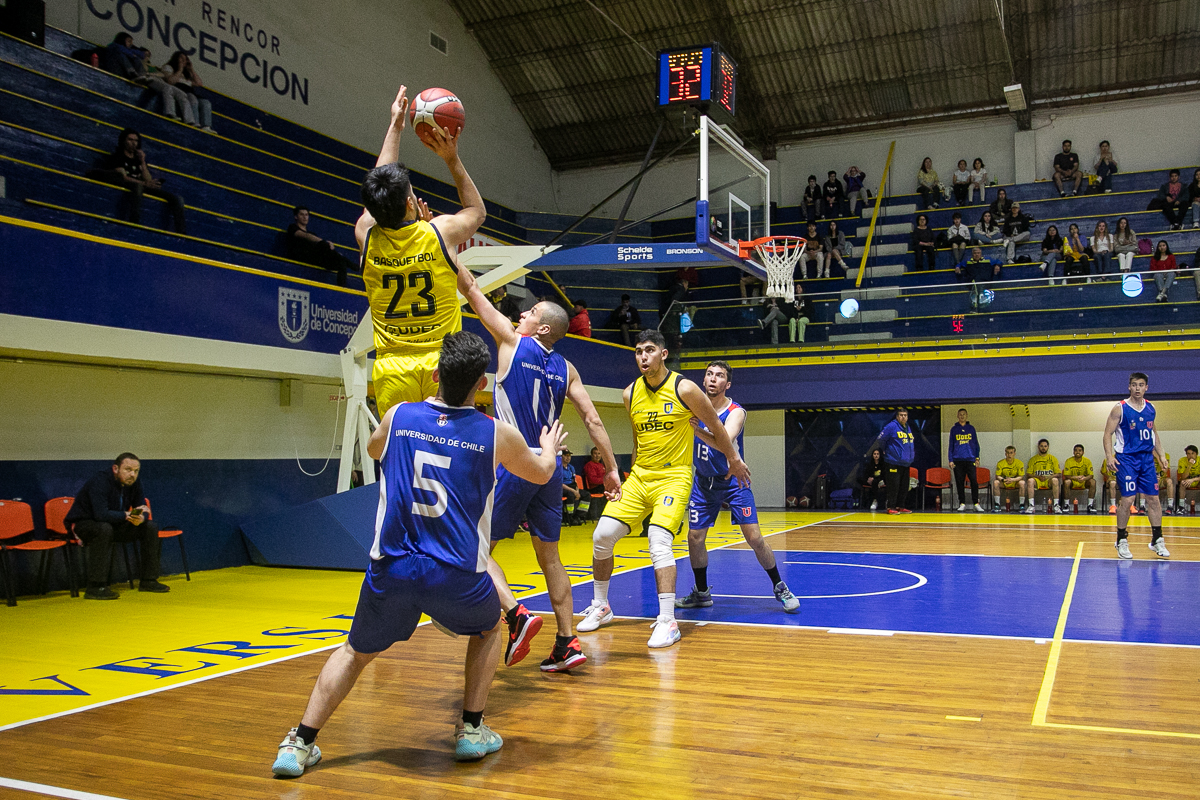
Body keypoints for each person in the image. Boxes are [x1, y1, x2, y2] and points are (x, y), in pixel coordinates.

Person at [269, 332, 566, 774]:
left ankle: (299, 743)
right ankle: (471, 730)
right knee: (489, 629)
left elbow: (374, 449)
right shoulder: (495, 433)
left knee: (354, 652)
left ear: (435, 375)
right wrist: (549, 448)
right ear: (481, 385)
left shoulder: (398, 415)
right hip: (455, 573)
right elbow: (540, 473)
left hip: (392, 567)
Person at [458, 271, 622, 671]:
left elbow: (472, 289)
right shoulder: (567, 368)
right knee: (550, 557)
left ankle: (515, 615)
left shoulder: (512, 342)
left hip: (516, 462)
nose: (521, 316)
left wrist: (444, 249)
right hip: (548, 466)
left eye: (529, 313)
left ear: (542, 327)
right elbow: (592, 419)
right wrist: (613, 468)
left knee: (472, 547)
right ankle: (567, 642)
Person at [577, 330, 751, 649]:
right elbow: (637, 439)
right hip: (640, 477)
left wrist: (734, 459)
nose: (643, 357)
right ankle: (601, 605)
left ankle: (668, 620)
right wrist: (624, 475)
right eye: (638, 351)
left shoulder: (685, 388)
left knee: (658, 540)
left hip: (674, 477)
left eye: (649, 350)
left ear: (663, 354)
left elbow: (717, 427)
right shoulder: (630, 393)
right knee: (602, 536)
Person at [358, 85, 485, 418]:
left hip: (391, 365)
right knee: (444, 445)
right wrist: (452, 159)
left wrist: (395, 127)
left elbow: (377, 187)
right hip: (442, 364)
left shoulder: (366, 236)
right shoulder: (439, 232)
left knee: (399, 446)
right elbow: (476, 211)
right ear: (410, 204)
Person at [678, 361, 800, 613]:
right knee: (694, 538)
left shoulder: (736, 412)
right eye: (709, 374)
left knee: (754, 538)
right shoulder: (692, 408)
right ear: (703, 380)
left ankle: (780, 587)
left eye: (719, 375)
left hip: (733, 481)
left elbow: (724, 440)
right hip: (703, 483)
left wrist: (696, 430)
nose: (713, 379)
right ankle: (701, 592)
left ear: (728, 384)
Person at [64, 453, 169, 599]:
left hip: (114, 523)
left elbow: (142, 507)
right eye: (128, 469)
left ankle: (149, 580)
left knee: (149, 527)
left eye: (136, 471)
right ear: (115, 468)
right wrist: (127, 515)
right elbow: (101, 515)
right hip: (85, 524)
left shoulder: (134, 482)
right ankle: (96, 586)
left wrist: (141, 518)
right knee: (104, 529)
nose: (132, 474)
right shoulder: (99, 481)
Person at [1103, 372, 1170, 559]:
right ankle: (1121, 540)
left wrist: (1161, 455)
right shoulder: (1120, 408)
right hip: (1126, 459)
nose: (1137, 388)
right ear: (1129, 387)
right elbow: (1107, 433)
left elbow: (1154, 433)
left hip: (1146, 459)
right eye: (1134, 385)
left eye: (1141, 385)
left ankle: (1157, 539)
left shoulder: (1151, 408)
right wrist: (1109, 456)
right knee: (1128, 499)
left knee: (1154, 499)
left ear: (1146, 387)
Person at [88, 128, 186, 233]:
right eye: (130, 140)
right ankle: (134, 222)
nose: (133, 143)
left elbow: (148, 179)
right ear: (124, 141)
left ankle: (181, 232)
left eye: (136, 140)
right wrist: (144, 183)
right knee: (138, 187)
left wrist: (142, 161)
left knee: (177, 199)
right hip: (128, 184)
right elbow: (123, 177)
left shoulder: (138, 159)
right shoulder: (117, 157)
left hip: (141, 184)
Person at [287, 206, 356, 286]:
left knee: (342, 263)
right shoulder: (292, 227)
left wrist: (327, 244)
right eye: (301, 214)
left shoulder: (312, 234)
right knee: (324, 245)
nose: (305, 217)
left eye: (306, 215)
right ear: (296, 217)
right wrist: (324, 242)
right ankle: (350, 263)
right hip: (301, 255)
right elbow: (305, 235)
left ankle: (342, 288)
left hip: (315, 258)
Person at [866, 409, 915, 514]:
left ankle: (900, 506)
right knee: (894, 486)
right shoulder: (891, 426)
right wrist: (885, 450)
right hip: (893, 461)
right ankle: (890, 507)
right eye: (901, 415)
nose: (903, 417)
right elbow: (881, 439)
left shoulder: (907, 427)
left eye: (905, 415)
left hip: (905, 462)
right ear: (897, 417)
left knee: (904, 486)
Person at [161, 51, 213, 132]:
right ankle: (195, 122)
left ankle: (206, 126)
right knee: (192, 98)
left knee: (206, 103)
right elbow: (170, 81)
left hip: (190, 92)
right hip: (179, 91)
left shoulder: (187, 74)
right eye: (181, 58)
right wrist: (180, 69)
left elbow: (199, 83)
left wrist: (191, 69)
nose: (183, 61)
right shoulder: (169, 67)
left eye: (185, 59)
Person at [138, 48, 192, 124]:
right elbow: (143, 72)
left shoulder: (152, 66)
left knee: (182, 94)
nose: (147, 57)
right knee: (168, 88)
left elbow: (161, 74)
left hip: (159, 81)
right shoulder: (138, 61)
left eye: (149, 55)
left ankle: (189, 120)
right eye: (146, 54)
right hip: (149, 79)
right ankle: (170, 113)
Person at [948, 408, 983, 511]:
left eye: (964, 414)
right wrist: (950, 459)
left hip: (970, 459)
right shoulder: (954, 429)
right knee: (959, 482)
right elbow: (951, 446)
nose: (962, 416)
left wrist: (977, 457)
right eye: (960, 414)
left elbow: (976, 444)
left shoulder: (971, 428)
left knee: (974, 481)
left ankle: (976, 503)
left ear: (966, 415)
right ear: (957, 416)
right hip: (958, 460)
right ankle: (962, 503)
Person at [1024, 439, 1063, 514]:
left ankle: (1056, 506)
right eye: (1041, 446)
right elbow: (1028, 474)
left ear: (1048, 447)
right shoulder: (1033, 459)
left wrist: (1049, 477)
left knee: (1055, 480)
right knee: (1030, 481)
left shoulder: (1053, 459)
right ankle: (1031, 505)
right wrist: (1037, 477)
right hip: (1038, 480)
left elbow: (1058, 474)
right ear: (1038, 447)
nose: (1043, 448)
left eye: (1045, 446)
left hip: (1048, 480)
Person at [1062, 444, 1099, 513]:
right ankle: (1066, 505)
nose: (1077, 452)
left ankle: (1090, 505)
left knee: (1093, 481)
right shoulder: (1068, 461)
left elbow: (1091, 475)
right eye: (1076, 450)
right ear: (1073, 452)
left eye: (1079, 450)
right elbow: (1066, 475)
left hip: (1084, 482)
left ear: (1083, 452)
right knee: (1066, 482)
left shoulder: (1087, 461)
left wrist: (1084, 478)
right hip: (1073, 481)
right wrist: (1076, 478)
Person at [991, 446, 1026, 511]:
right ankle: (997, 505)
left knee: (1022, 483)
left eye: (1011, 453)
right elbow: (998, 475)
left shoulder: (1019, 463)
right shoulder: (1000, 463)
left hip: (1015, 482)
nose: (1009, 455)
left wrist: (1013, 480)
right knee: (996, 482)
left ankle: (1022, 505)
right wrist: (1003, 480)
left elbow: (1021, 476)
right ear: (1005, 453)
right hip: (1004, 482)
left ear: (1014, 454)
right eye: (1007, 453)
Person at [583, 446, 608, 519]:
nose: (597, 456)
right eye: (595, 454)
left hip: (602, 486)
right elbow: (592, 480)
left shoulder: (601, 465)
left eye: (599, 454)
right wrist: (605, 481)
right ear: (592, 455)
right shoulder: (590, 465)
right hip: (594, 488)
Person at [560, 449, 582, 523]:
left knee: (586, 495)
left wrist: (577, 491)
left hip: (572, 486)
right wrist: (574, 491)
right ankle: (568, 516)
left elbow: (574, 481)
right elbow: (560, 483)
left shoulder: (571, 467)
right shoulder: (558, 468)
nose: (568, 457)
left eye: (569, 456)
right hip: (562, 488)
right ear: (561, 456)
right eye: (566, 455)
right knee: (571, 494)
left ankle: (578, 515)